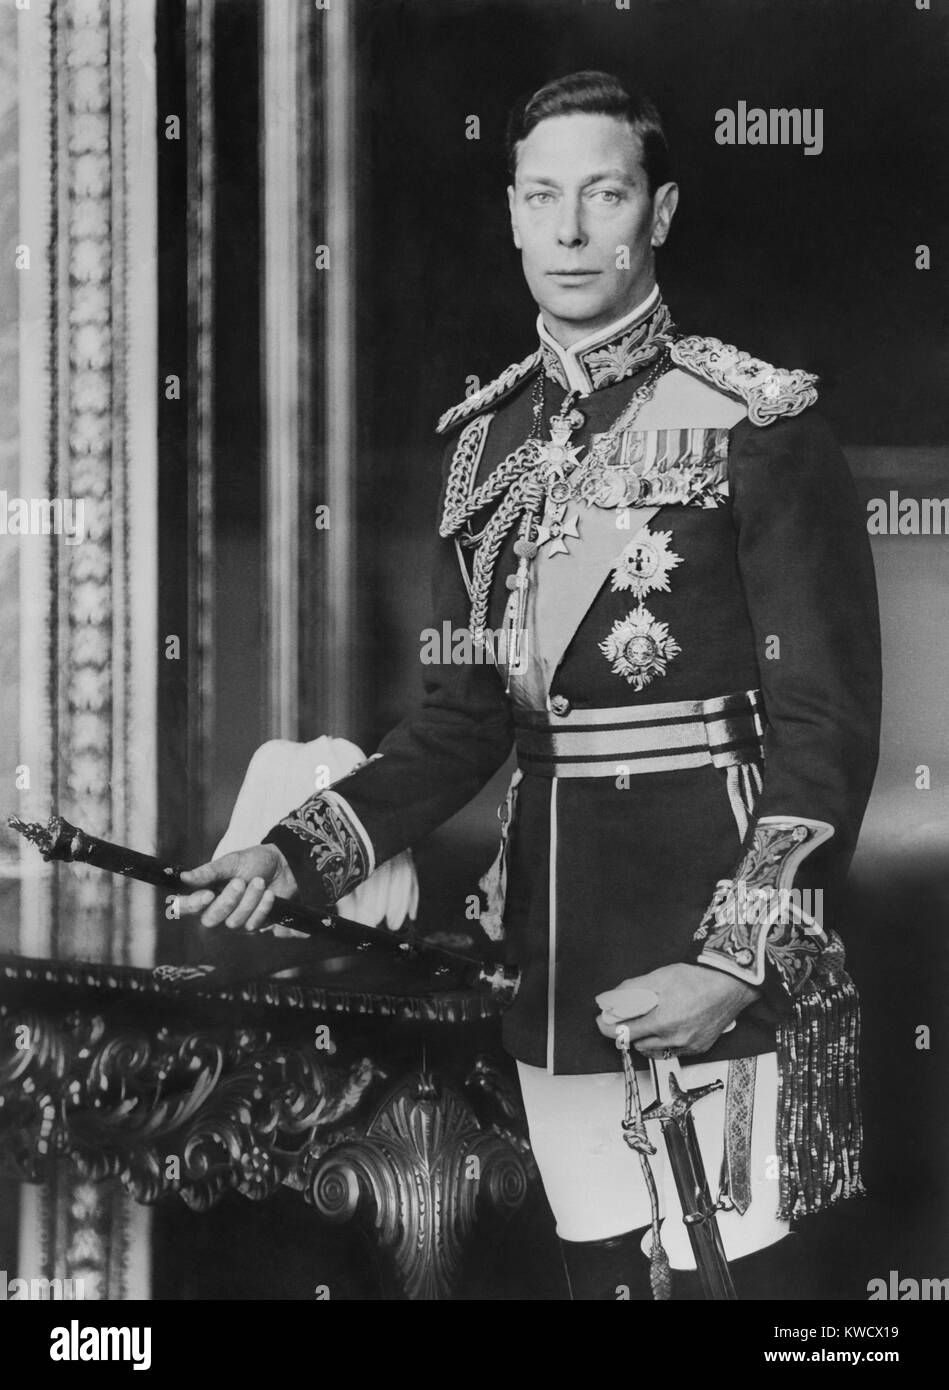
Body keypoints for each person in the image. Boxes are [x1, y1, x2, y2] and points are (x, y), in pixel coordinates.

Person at [177, 71, 881, 1300]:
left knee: (736, 1290)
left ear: (655, 213)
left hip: (716, 930)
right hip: (551, 952)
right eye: (542, 197)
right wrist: (295, 855)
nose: (567, 232)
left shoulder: (753, 422)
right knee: (597, 1281)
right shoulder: (485, 443)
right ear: (509, 212)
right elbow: (465, 716)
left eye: (601, 196)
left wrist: (732, 962)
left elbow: (823, 730)